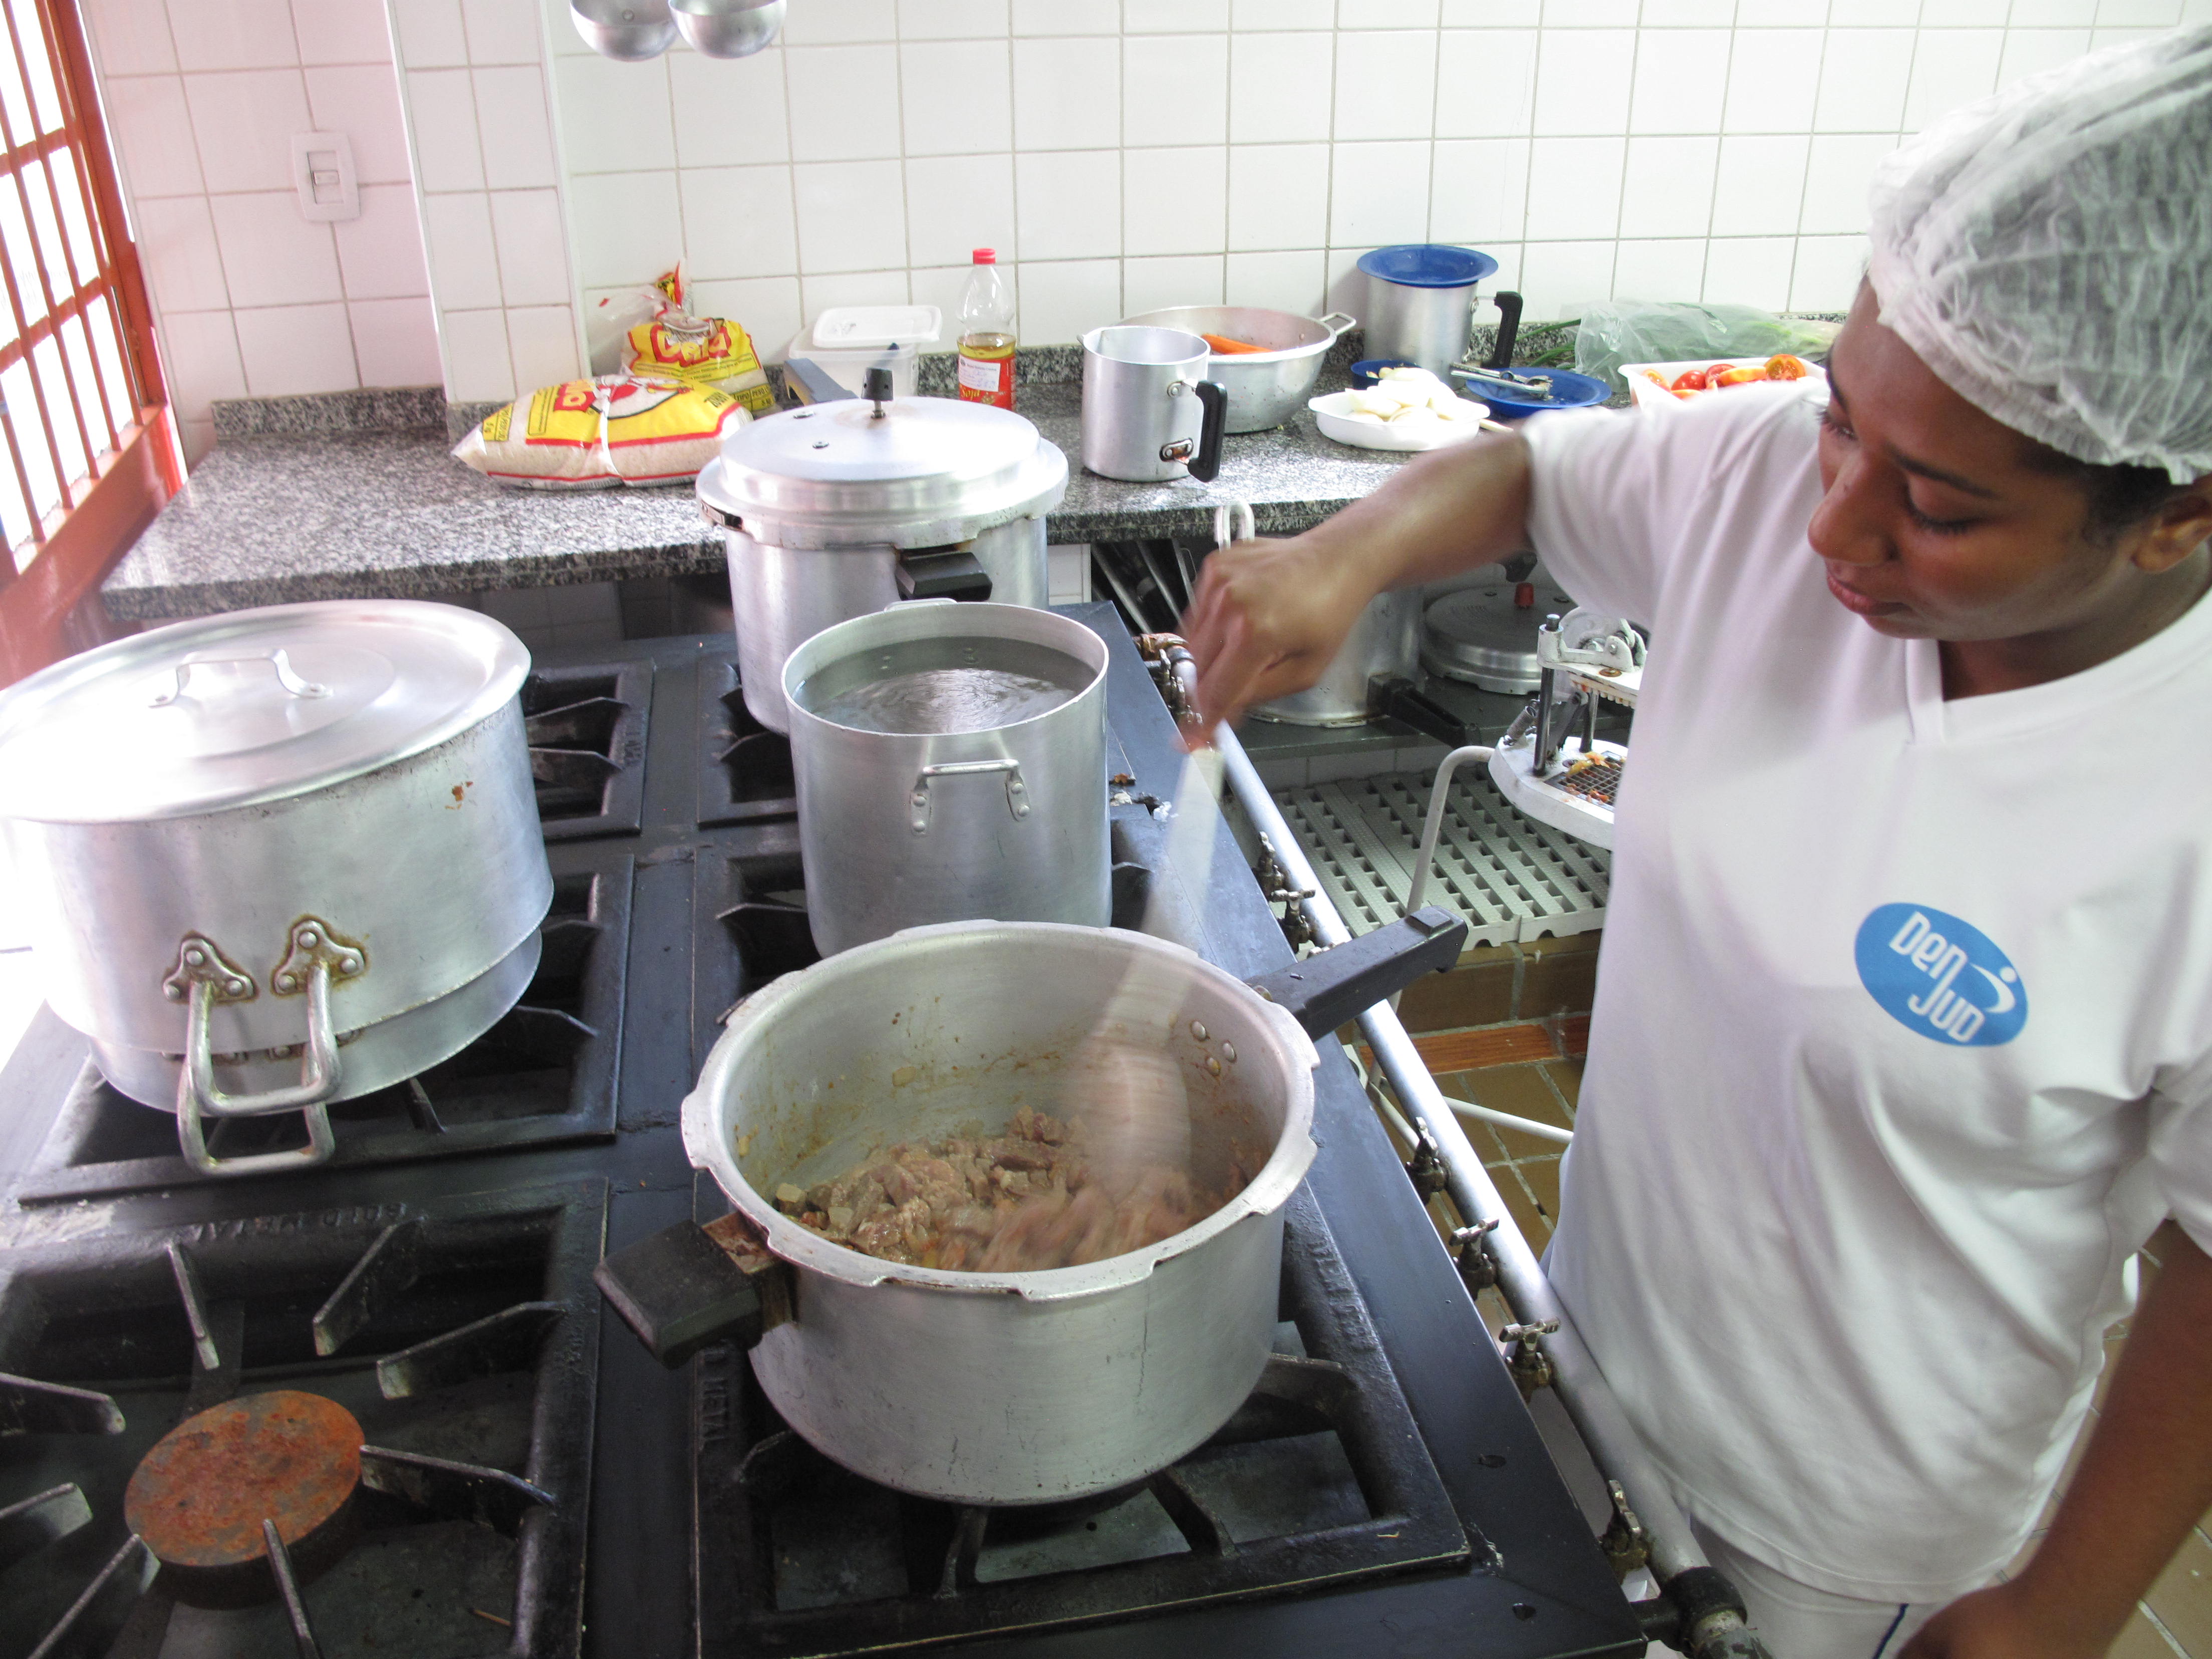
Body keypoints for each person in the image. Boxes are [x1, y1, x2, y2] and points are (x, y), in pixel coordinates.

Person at [1181, 30, 2212, 1659]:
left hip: (1853, 1527)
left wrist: (2053, 1614)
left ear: (2181, 511)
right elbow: (1534, 466)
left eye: (1937, 508)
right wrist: (1346, 554)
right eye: (1836, 422)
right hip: (1588, 1354)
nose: (1829, 525)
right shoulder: (1771, 478)